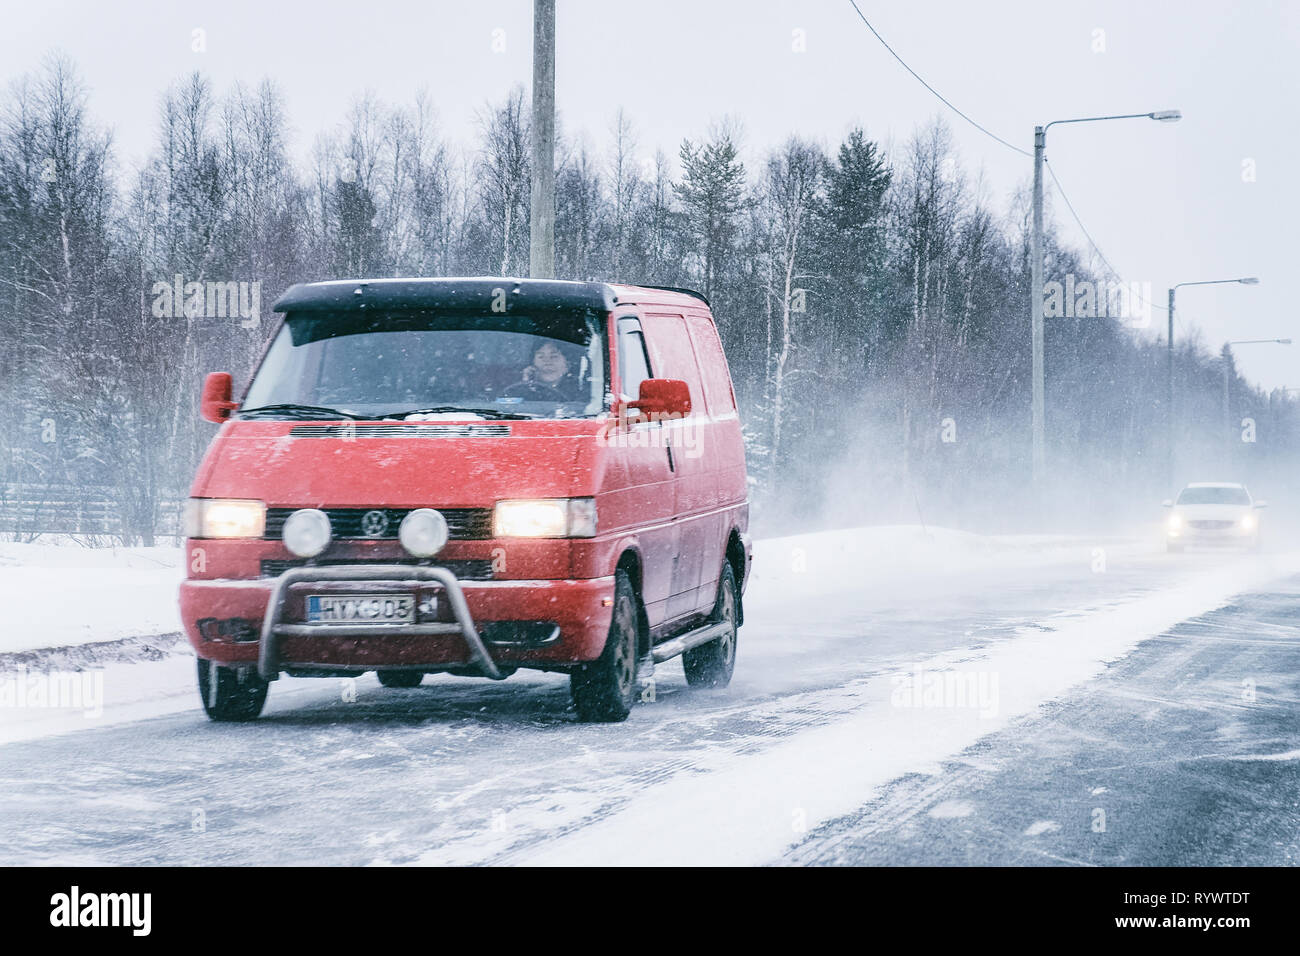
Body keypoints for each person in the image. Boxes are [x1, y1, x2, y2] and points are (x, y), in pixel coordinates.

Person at [504, 340, 585, 402]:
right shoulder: (517, 391)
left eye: (554, 356)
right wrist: (526, 385)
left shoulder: (580, 393)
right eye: (541, 357)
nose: (547, 362)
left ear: (567, 365)